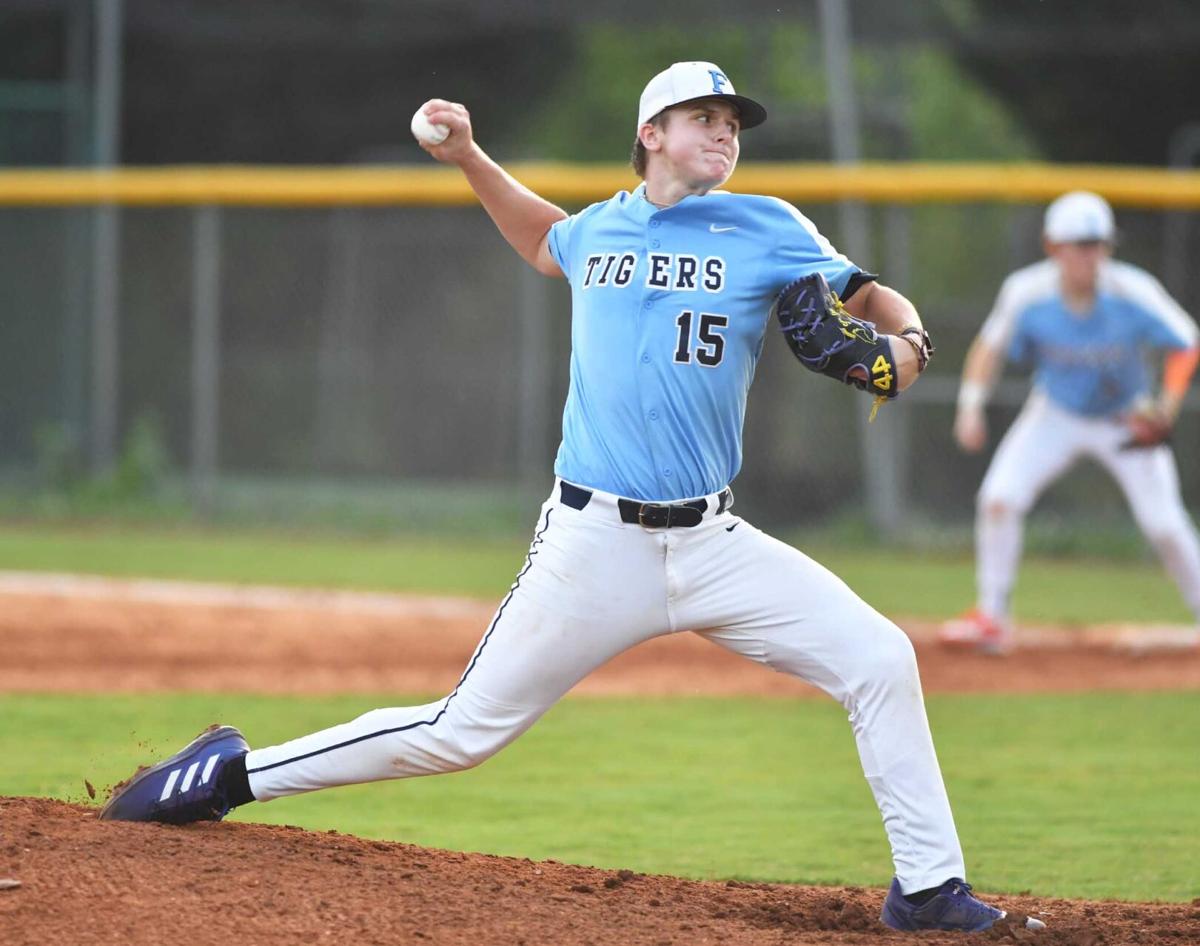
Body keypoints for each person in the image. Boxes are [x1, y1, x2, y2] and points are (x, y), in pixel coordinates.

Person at [100, 61, 1034, 934]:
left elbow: (869, 301)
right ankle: (231, 774)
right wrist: (468, 157)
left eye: (732, 123)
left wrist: (910, 343)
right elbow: (544, 238)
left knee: (879, 657)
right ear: (652, 132)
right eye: (703, 119)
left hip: (715, 543)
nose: (724, 134)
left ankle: (927, 889)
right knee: (459, 734)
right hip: (595, 546)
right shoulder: (601, 230)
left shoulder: (767, 226)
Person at [942, 190, 1200, 654]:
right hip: (1055, 412)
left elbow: (1186, 340)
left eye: (1098, 243)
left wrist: (1166, 406)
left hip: (1126, 417)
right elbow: (989, 347)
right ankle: (993, 617)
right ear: (1052, 246)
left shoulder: (1131, 289)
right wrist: (970, 406)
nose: (1090, 254)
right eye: (1079, 244)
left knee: (1164, 523)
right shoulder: (1027, 292)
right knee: (999, 499)